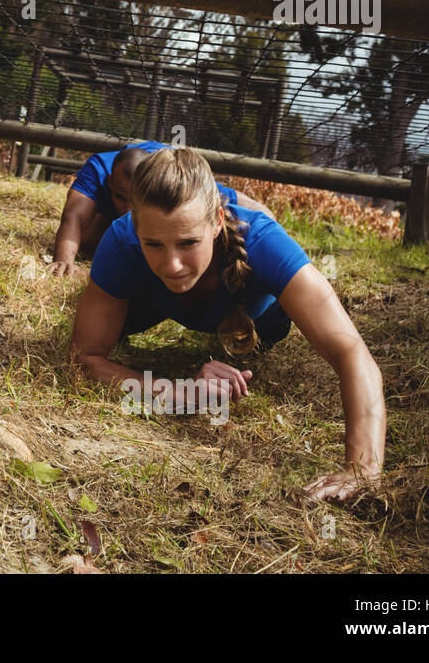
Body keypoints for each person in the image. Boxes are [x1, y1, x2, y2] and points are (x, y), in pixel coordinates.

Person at [69, 147, 385, 502]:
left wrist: (363, 468)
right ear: (135, 226)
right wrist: (173, 392)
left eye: (188, 242)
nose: (172, 264)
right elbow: (84, 357)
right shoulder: (120, 239)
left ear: (218, 221)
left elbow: (352, 350)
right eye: (153, 244)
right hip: (161, 305)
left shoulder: (264, 241)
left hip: (261, 323)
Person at [51, 141, 274, 276]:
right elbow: (74, 216)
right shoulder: (99, 169)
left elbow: (257, 209)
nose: (129, 212)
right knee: (90, 238)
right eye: (121, 197)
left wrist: (277, 242)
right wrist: (64, 260)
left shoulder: (179, 178)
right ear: (109, 182)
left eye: (137, 199)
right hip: (106, 217)